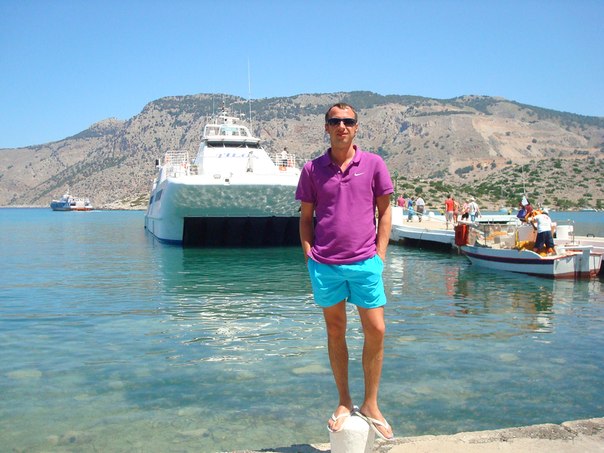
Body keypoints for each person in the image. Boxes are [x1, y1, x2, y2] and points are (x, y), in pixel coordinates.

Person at [296, 102, 394, 440]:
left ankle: (371, 404)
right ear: (326, 127)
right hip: (325, 265)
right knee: (336, 331)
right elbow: (305, 217)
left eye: (348, 121)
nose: (342, 126)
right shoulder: (312, 169)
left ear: (356, 126)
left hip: (366, 262)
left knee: (376, 329)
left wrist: (380, 255)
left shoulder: (374, 164)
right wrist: (309, 255)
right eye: (335, 121)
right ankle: (344, 401)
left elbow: (385, 212)